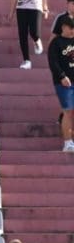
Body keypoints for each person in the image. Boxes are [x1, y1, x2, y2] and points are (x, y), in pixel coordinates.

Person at [49, 13, 74, 152]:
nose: (72, 31)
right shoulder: (56, 43)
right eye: (70, 28)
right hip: (64, 84)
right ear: (63, 27)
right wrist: (62, 76)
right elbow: (53, 63)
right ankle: (68, 142)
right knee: (68, 111)